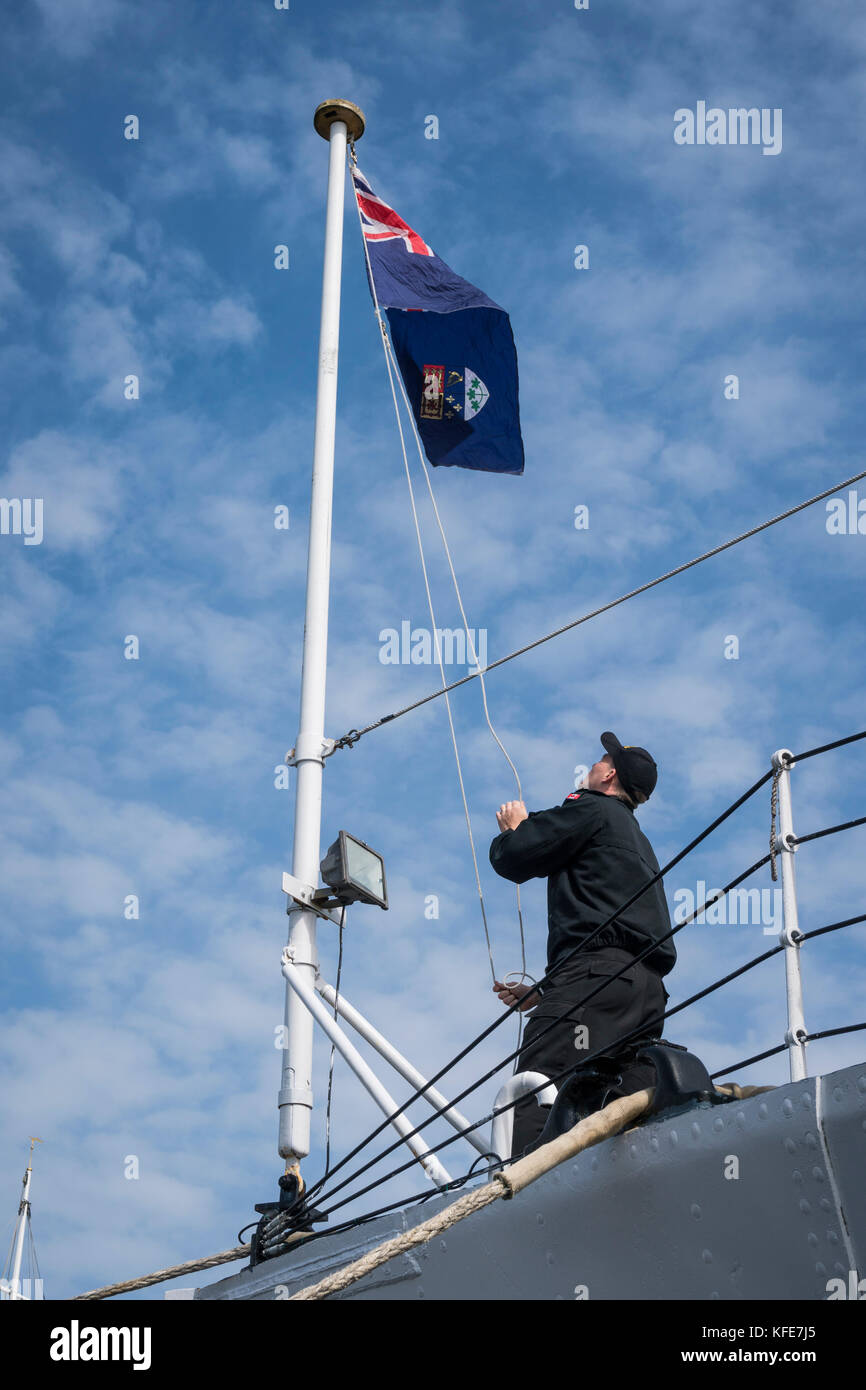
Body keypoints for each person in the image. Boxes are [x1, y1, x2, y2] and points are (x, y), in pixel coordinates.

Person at [488, 732, 674, 1159]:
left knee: (540, 1087)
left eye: (601, 759)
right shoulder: (639, 842)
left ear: (609, 774)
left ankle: (522, 1192)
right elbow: (618, 927)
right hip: (644, 996)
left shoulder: (593, 809)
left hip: (597, 980)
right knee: (618, 1102)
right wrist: (549, 992)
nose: (593, 764)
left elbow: (517, 857)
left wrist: (516, 829)